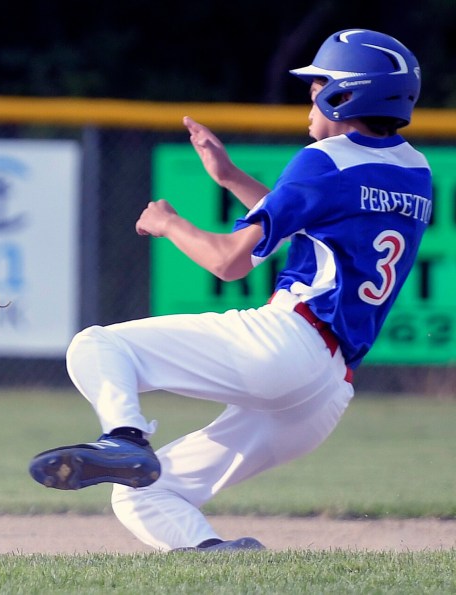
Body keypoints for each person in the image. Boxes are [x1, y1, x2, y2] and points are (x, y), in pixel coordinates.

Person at [28, 29, 431, 552]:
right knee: (143, 495)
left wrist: (168, 224)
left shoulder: (327, 157)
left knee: (97, 346)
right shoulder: (415, 170)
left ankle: (125, 437)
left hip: (287, 342)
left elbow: (228, 262)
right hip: (325, 394)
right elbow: (324, 223)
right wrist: (231, 177)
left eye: (319, 83)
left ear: (348, 93)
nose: (310, 94)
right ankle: (220, 562)